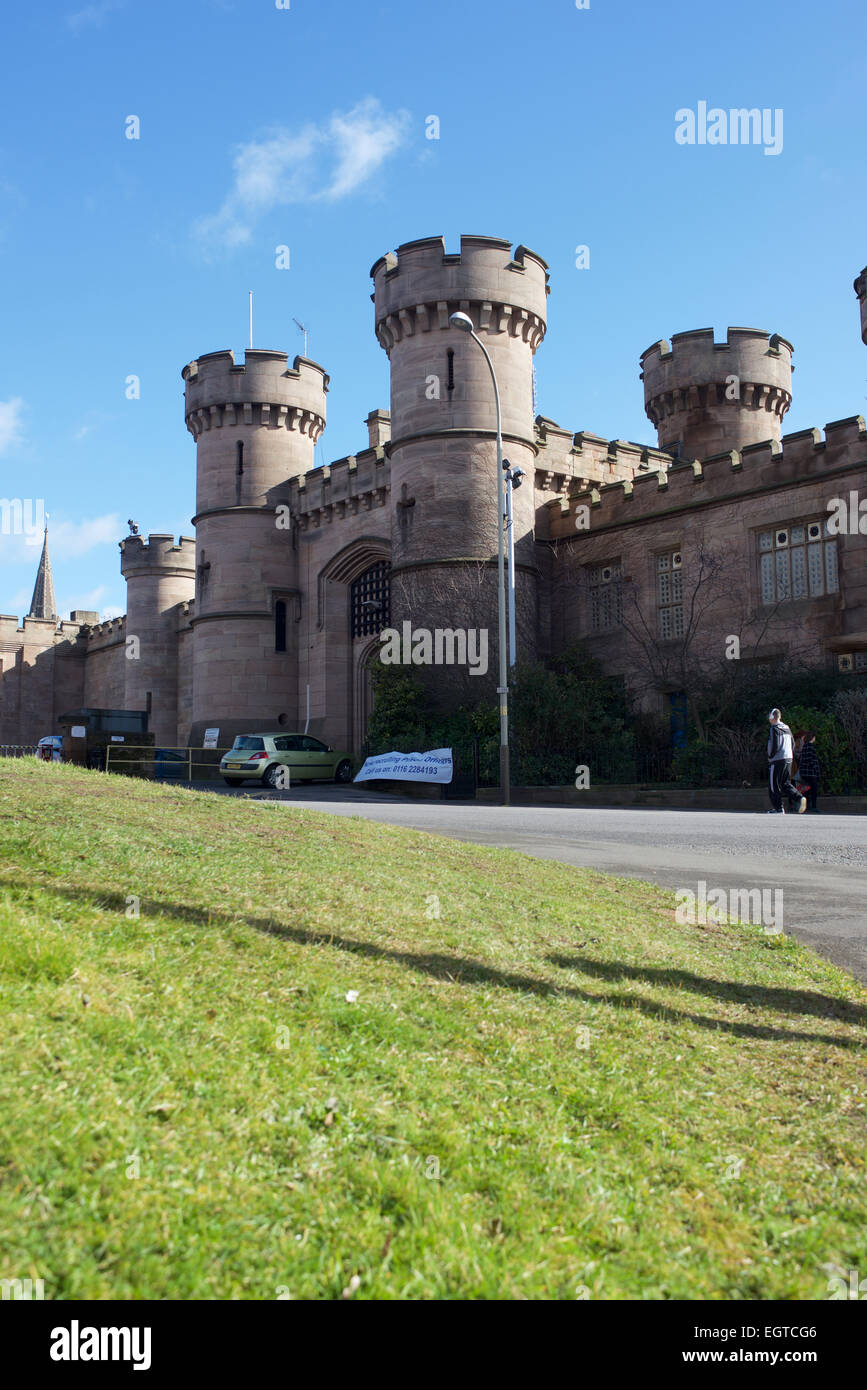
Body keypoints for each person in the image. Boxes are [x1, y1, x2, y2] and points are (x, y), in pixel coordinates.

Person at [767, 708, 807, 814]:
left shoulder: (774, 728)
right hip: (788, 758)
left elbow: (774, 745)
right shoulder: (787, 728)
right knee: (785, 783)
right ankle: (799, 797)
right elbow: (793, 743)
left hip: (777, 759)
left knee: (773, 784)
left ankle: (778, 808)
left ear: (772, 717)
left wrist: (770, 756)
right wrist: (790, 754)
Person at [796, 731, 820, 812]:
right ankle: (813, 806)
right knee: (814, 789)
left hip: (804, 772)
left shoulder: (804, 746)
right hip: (810, 772)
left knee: (806, 789)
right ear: (812, 737)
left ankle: (805, 804)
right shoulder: (810, 746)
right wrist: (816, 770)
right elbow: (811, 760)